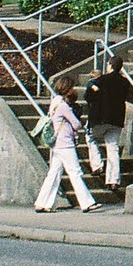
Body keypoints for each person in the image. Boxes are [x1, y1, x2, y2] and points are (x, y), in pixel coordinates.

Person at [33, 77, 99, 213]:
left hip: (57, 144)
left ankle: (42, 202)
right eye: (72, 87)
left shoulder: (54, 103)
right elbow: (76, 123)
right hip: (65, 143)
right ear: (67, 88)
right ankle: (87, 203)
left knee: (54, 174)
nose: (74, 89)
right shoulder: (63, 106)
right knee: (75, 172)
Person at [84, 56, 129, 192]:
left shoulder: (101, 80)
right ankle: (113, 180)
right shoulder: (124, 82)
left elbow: (88, 96)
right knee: (113, 148)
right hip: (117, 119)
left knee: (90, 137)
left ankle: (97, 165)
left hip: (100, 118)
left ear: (109, 65)